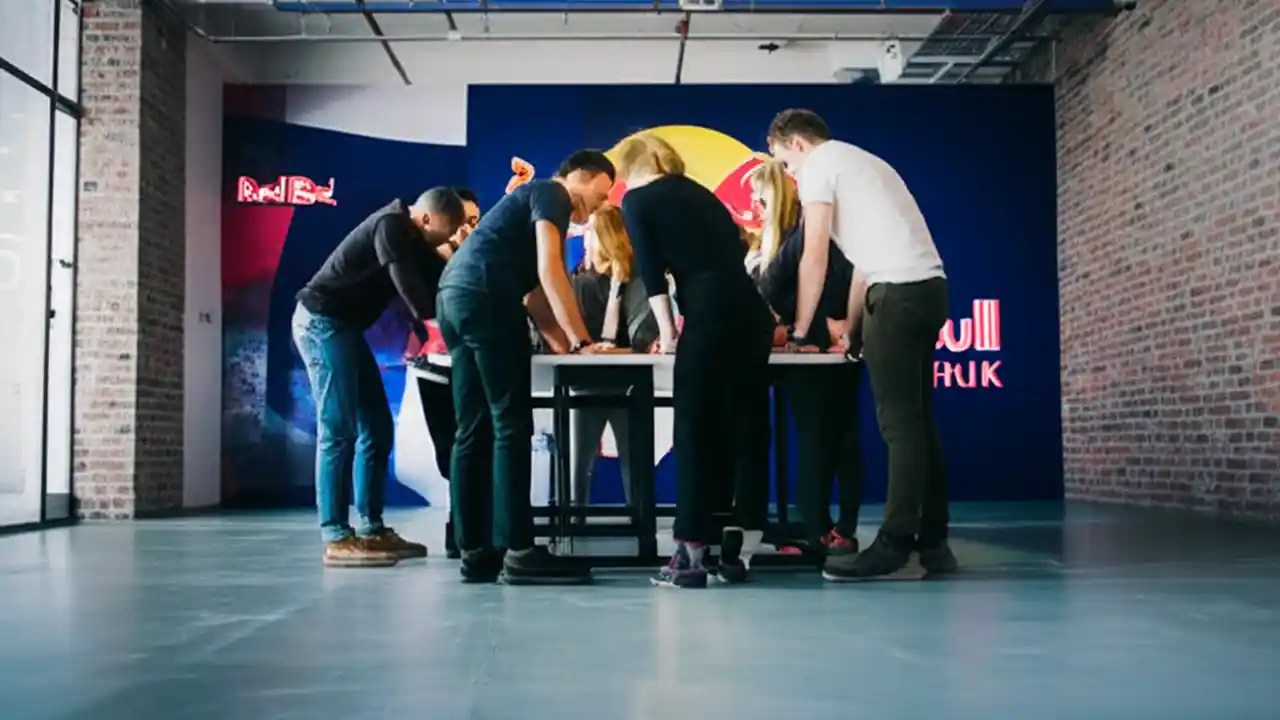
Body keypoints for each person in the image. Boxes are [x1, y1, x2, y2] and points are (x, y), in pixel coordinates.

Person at [766, 108, 957, 581]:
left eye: (785, 163)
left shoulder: (818, 167)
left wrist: (802, 329)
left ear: (796, 144)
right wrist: (852, 327)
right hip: (926, 290)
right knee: (918, 422)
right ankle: (934, 544)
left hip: (896, 296)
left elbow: (815, 255)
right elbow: (861, 264)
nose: (789, 176)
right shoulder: (865, 163)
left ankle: (894, 544)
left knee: (899, 425)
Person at [436, 150, 615, 585]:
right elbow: (551, 268)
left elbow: (534, 292)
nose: (601, 203)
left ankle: (475, 551)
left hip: (454, 297)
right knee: (510, 424)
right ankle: (519, 550)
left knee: (472, 428)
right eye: (601, 191)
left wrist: (565, 346)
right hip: (487, 301)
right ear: (579, 176)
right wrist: (583, 342)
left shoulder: (522, 213)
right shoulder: (551, 192)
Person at [616, 133, 775, 589]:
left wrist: (667, 333)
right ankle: (740, 546)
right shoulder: (699, 192)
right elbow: (737, 248)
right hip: (750, 313)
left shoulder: (639, 201)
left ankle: (689, 555)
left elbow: (652, 273)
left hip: (707, 314)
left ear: (630, 168)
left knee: (694, 426)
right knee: (744, 425)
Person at [292, 188, 465, 567]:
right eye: (444, 234)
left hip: (346, 330)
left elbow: (441, 280)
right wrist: (432, 322)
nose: (445, 242)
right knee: (338, 429)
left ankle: (372, 528)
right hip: (321, 322)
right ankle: (336, 534)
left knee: (378, 428)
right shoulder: (391, 224)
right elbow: (406, 280)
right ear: (426, 219)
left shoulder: (415, 238)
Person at [747, 160, 863, 560]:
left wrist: (805, 331)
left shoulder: (806, 237)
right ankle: (823, 528)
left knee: (832, 441)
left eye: (759, 197)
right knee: (827, 441)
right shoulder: (774, 242)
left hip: (821, 356)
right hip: (802, 357)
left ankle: (823, 530)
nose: (753, 205)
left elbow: (829, 291)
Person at [569, 204, 660, 510]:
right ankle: (574, 523)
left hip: (623, 380)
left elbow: (636, 340)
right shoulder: (581, 277)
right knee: (580, 460)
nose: (584, 237)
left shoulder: (635, 279)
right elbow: (593, 340)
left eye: (590, 231)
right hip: (593, 379)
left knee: (629, 459)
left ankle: (637, 524)